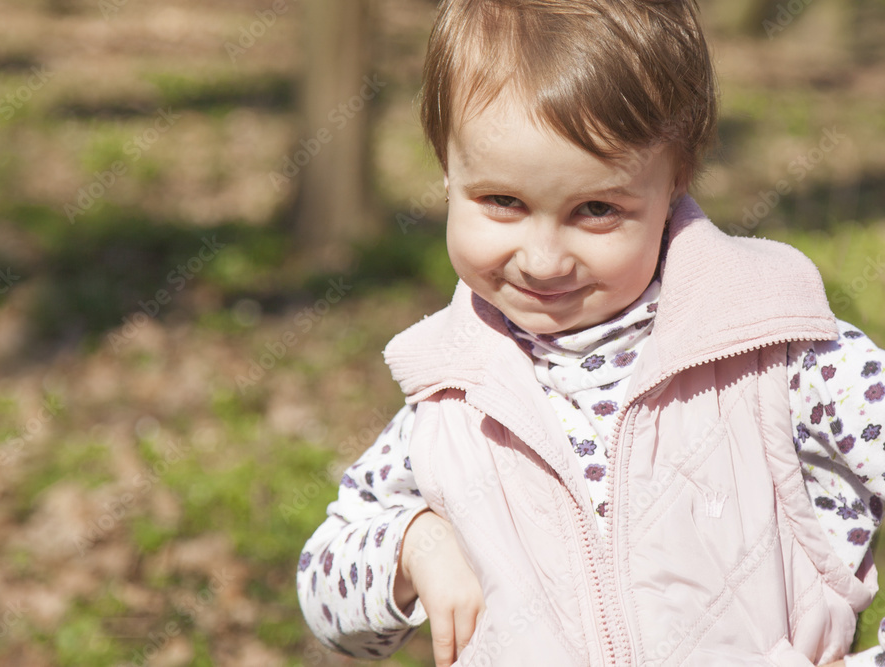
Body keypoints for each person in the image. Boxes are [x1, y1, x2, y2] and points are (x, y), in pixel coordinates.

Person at [297, 1, 885, 665]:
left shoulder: (776, 354)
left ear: (675, 179)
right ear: (447, 169)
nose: (543, 258)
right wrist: (413, 544)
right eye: (502, 202)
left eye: (597, 209)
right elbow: (325, 591)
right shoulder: (451, 398)